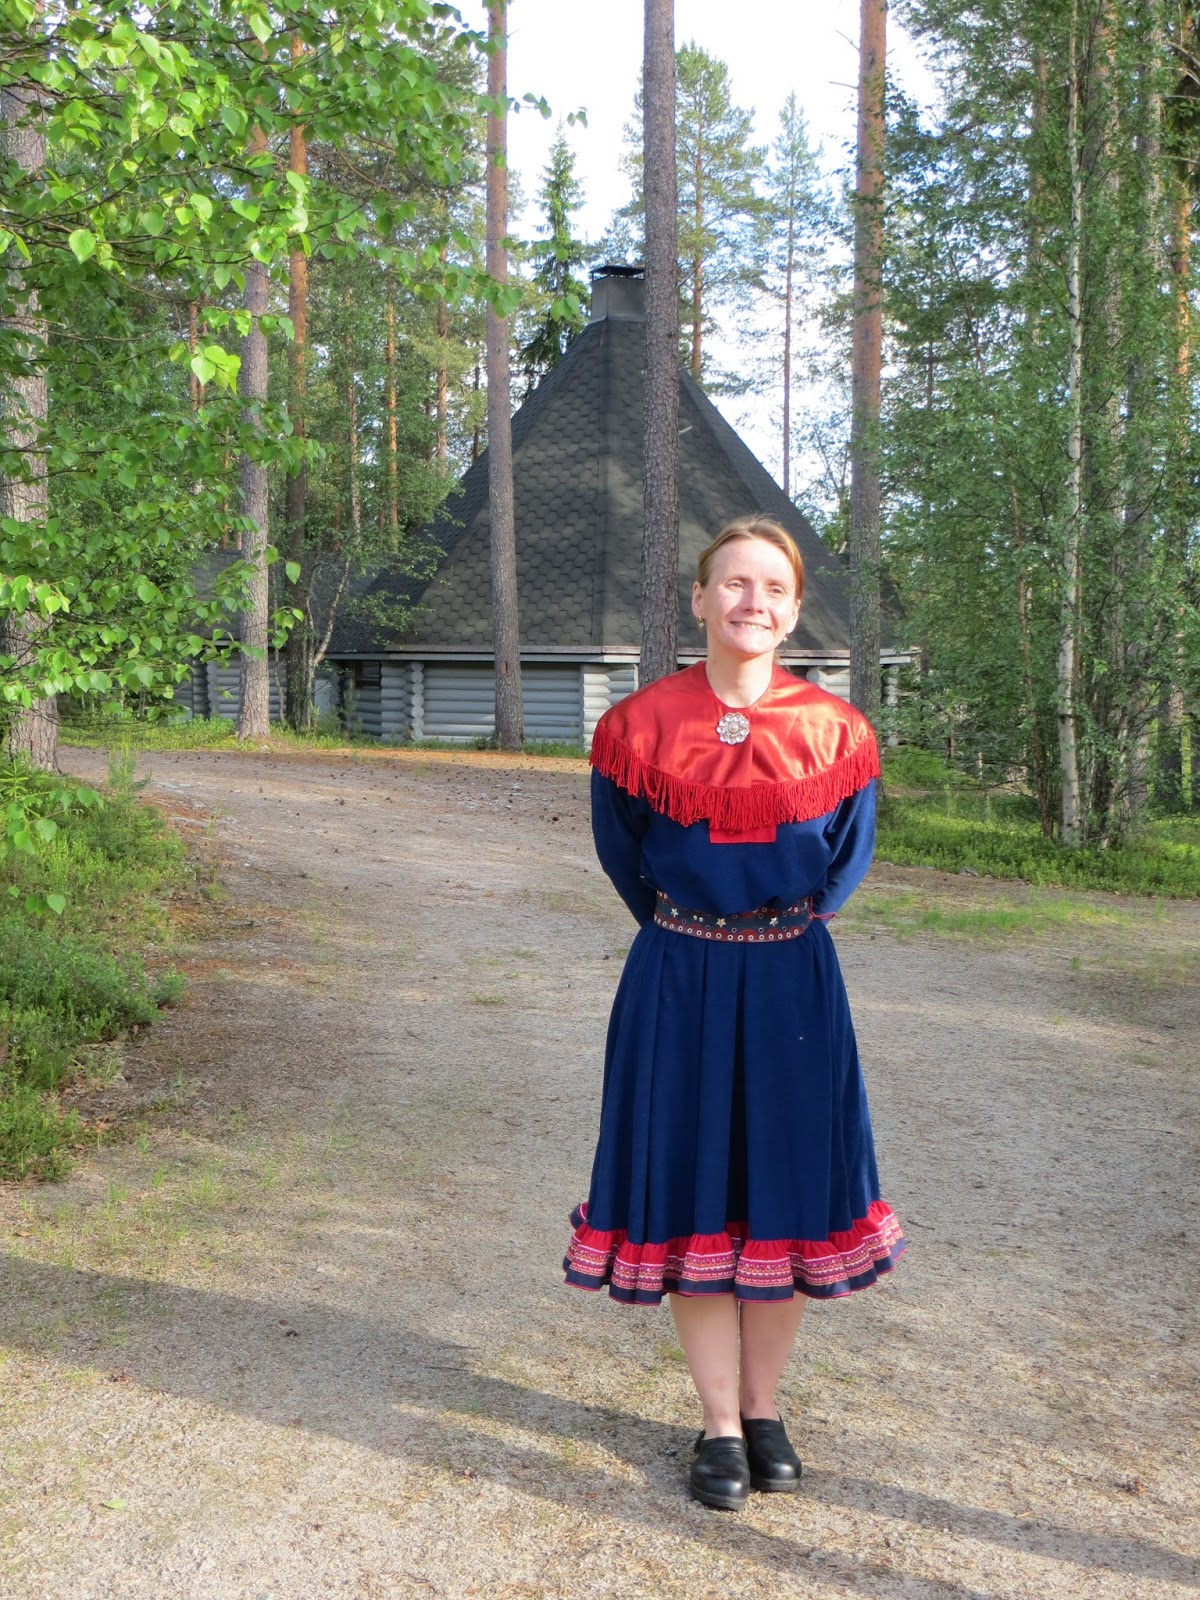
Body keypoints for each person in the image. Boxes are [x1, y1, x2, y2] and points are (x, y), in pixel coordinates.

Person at [564, 515, 904, 1512]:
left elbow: (843, 866)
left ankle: (766, 1411)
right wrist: (696, 936)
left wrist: (767, 934)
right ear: (701, 600)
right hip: (679, 979)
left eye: (773, 587)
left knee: (785, 1197)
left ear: (794, 611)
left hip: (793, 980)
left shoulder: (839, 733)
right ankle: (716, 1423)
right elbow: (624, 858)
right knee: (694, 1198)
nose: (753, 601)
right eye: (734, 583)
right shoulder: (637, 728)